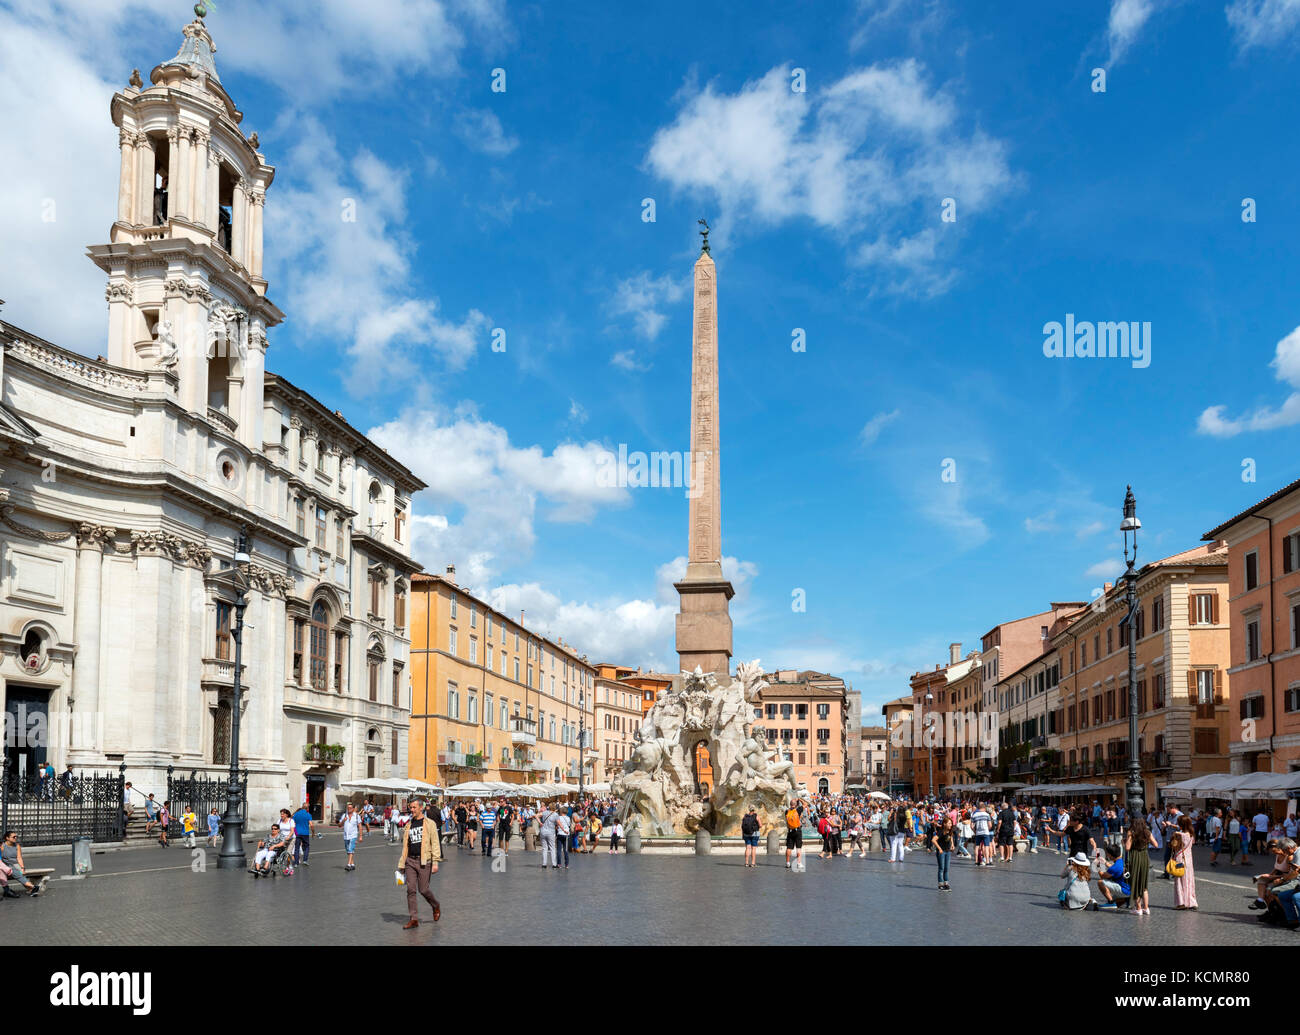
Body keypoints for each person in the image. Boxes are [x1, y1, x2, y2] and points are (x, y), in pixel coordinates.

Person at [399, 798, 442, 930]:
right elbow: (405, 845)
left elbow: (435, 843)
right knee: (410, 890)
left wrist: (435, 862)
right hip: (410, 861)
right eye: (410, 808)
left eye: (414, 807)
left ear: (421, 808)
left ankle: (435, 905)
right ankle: (414, 919)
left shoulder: (430, 824)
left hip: (424, 861)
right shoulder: (409, 824)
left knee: (423, 889)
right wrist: (402, 864)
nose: (411, 810)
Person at [1125, 816, 1158, 915]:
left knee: (1135, 882)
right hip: (1144, 856)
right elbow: (1156, 844)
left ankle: (1138, 908)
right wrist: (1146, 843)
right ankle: (1146, 908)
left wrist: (1126, 840)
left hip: (1135, 856)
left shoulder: (1131, 832)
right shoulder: (1147, 832)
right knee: (1143, 884)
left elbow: (1127, 848)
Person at [1, 831, 41, 897]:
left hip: (15, 863)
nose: (15, 838)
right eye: (13, 837)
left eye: (16, 836)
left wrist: (22, 868)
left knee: (21, 872)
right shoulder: (2, 846)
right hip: (6, 864)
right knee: (15, 872)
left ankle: (31, 889)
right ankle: (32, 887)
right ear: (7, 838)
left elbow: (19, 857)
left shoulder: (17, 846)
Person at [1168, 829, 1197, 909]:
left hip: (1180, 859)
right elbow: (1192, 843)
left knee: (1179, 881)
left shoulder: (1179, 835)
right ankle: (1191, 902)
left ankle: (1181, 903)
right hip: (1189, 860)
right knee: (1189, 881)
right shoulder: (1191, 835)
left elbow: (1173, 846)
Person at [1097, 844, 1130, 909]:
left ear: (1110, 855)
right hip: (1129, 888)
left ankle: (1111, 903)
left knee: (1100, 882)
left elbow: (1102, 876)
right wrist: (1105, 862)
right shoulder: (1121, 861)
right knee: (1116, 900)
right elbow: (1115, 869)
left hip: (1124, 890)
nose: (1107, 855)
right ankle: (1126, 900)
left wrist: (1098, 867)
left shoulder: (1115, 867)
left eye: (1107, 854)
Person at [931, 816, 955, 891]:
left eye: (951, 823)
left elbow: (951, 837)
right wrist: (939, 848)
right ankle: (940, 884)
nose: (950, 825)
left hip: (948, 851)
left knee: (946, 868)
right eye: (949, 823)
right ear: (944, 824)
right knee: (941, 868)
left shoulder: (950, 831)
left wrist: (952, 845)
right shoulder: (941, 832)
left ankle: (946, 884)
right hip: (941, 852)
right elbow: (933, 840)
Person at [340, 802, 363, 871]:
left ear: (353, 809)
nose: (349, 809)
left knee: (351, 849)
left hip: (353, 835)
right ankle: (352, 864)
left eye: (350, 808)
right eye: (348, 808)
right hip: (346, 836)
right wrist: (343, 821)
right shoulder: (344, 815)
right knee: (348, 851)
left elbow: (360, 826)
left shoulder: (356, 816)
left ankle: (348, 865)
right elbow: (339, 825)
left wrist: (360, 836)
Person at [292, 802, 315, 867]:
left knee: (297, 848)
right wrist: (313, 833)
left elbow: (293, 823)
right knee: (306, 846)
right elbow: (311, 825)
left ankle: (296, 863)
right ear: (307, 808)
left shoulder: (296, 814)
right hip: (305, 833)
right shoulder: (308, 815)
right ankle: (305, 860)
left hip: (297, 833)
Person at [538, 803, 559, 868]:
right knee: (552, 848)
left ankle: (544, 864)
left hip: (543, 831)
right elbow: (558, 823)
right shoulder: (555, 814)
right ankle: (554, 864)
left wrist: (540, 823)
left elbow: (536, 815)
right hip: (551, 832)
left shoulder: (544, 812)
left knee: (544, 848)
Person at [786, 800, 805, 868]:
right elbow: (805, 804)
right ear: (796, 804)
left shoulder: (787, 811)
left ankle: (788, 863)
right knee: (798, 847)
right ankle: (799, 863)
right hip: (797, 831)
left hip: (790, 831)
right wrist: (799, 799)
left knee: (789, 847)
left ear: (790, 804)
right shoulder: (798, 810)